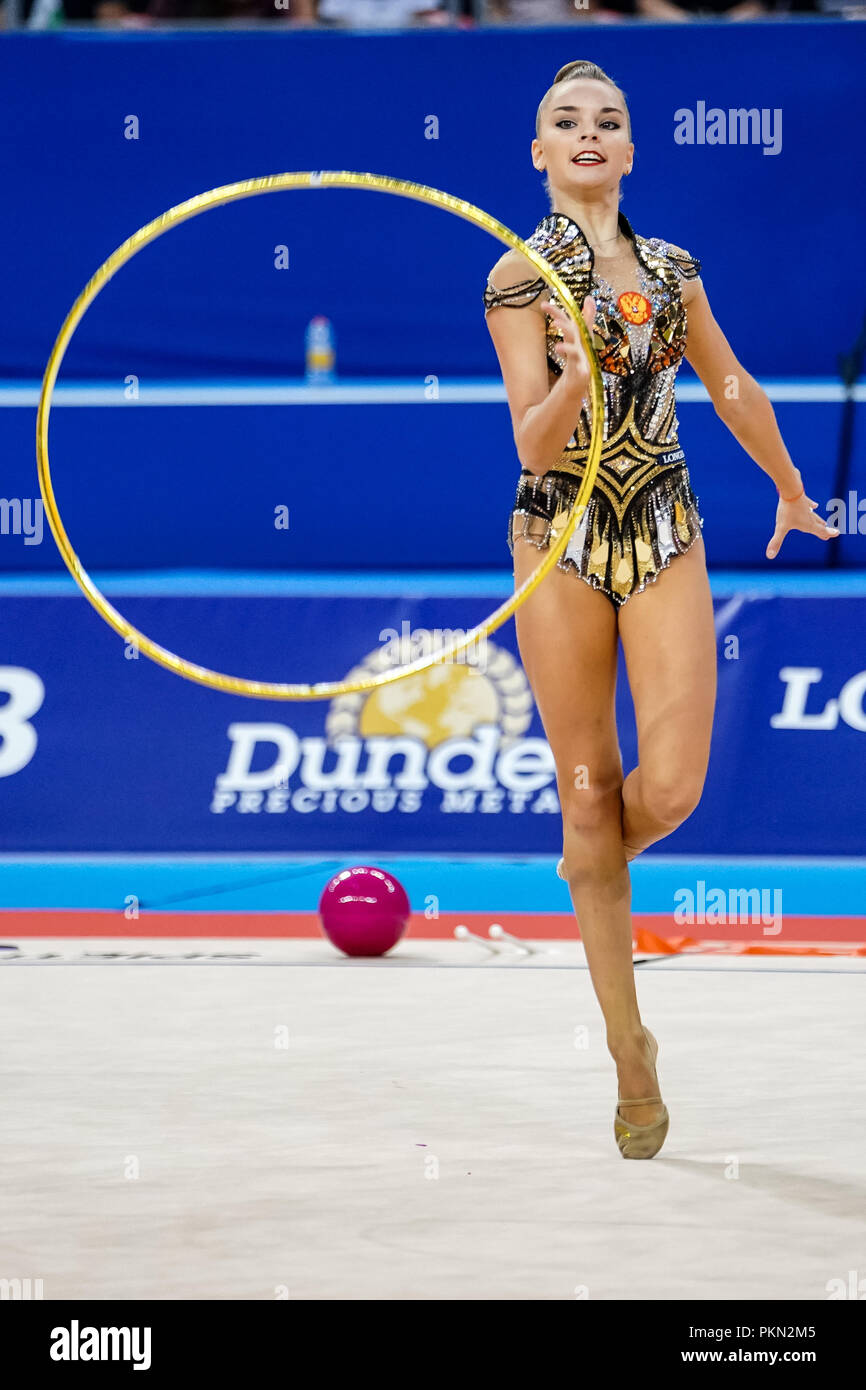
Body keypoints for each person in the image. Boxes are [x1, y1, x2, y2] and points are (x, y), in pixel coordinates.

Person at [483, 59, 839, 1159]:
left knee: (667, 791)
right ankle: (628, 1049)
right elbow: (532, 445)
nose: (587, 132)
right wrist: (577, 372)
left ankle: (589, 859)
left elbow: (729, 385)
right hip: (558, 534)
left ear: (631, 150)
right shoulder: (516, 277)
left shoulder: (674, 270)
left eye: (608, 120)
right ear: (539, 153)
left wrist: (788, 484)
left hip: (661, 526)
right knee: (589, 793)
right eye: (565, 121)